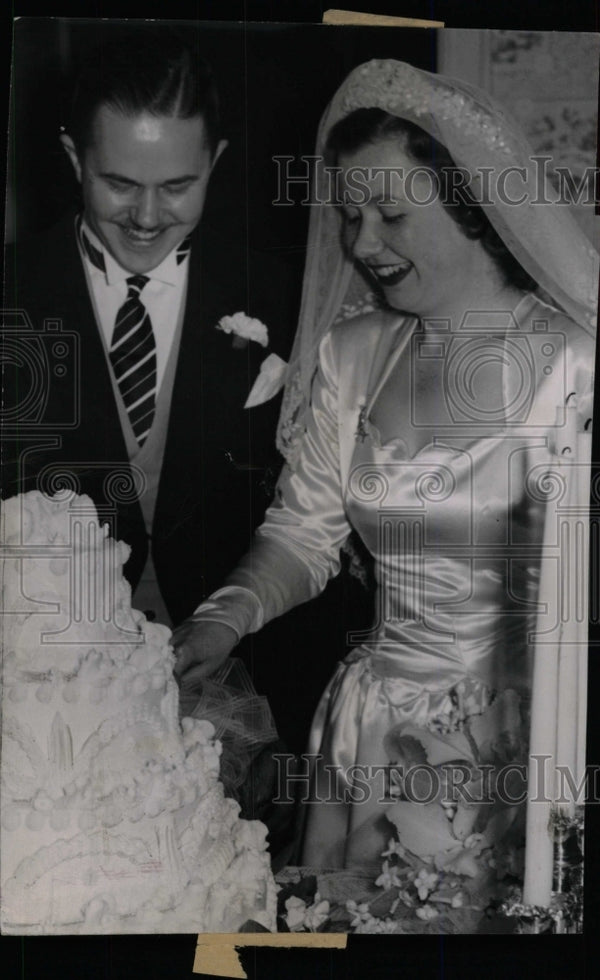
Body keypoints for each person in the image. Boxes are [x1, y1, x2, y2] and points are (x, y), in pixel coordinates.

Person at [184, 58, 597, 927]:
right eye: (350, 215)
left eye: (393, 214)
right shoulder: (352, 353)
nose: (363, 244)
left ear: (473, 204)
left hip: (523, 746)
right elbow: (304, 532)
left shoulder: (576, 361)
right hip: (369, 735)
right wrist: (225, 617)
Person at [2, 25, 291, 628]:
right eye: (120, 184)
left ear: (214, 162)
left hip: (238, 654)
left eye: (178, 186)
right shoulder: (13, 291)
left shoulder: (280, 295)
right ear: (75, 160)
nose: (148, 217)